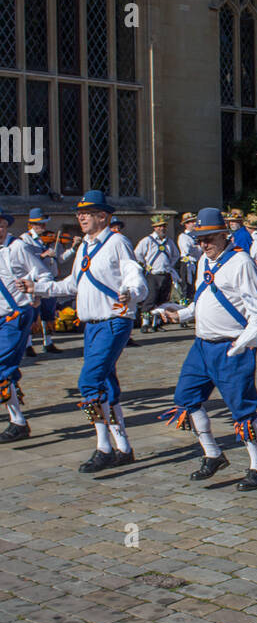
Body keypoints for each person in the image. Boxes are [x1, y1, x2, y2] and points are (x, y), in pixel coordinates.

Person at [22, 189, 147, 470]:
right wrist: (37, 288)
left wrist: (132, 291)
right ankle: (123, 448)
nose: (80, 217)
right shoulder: (85, 247)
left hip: (113, 322)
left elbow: (133, 273)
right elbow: (71, 284)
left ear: (103, 216)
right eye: (79, 213)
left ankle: (103, 447)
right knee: (106, 385)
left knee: (88, 383)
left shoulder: (118, 242)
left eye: (86, 213)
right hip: (91, 325)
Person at [157, 208, 257, 490]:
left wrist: (245, 341)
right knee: (185, 399)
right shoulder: (203, 263)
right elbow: (200, 302)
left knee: (242, 409)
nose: (204, 245)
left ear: (224, 235)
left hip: (232, 345)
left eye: (209, 238)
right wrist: (180, 314)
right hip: (202, 345)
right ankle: (212, 453)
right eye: (199, 240)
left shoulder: (241, 262)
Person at [0, 206, 52, 442]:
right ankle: (18, 421)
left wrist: (35, 293)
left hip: (16, 315)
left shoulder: (17, 247)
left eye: (1, 223)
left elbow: (43, 275)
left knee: (1, 367)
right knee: (5, 371)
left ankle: (18, 422)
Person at [21, 208, 61, 354]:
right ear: (32, 224)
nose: (44, 228)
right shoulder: (24, 240)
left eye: (44, 224)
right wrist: (43, 255)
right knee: (33, 313)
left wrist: (73, 249)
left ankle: (48, 342)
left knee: (48, 312)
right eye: (40, 225)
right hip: (34, 282)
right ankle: (28, 344)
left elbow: (61, 259)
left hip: (49, 280)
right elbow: (26, 262)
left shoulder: (47, 239)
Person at [135, 214, 180, 329]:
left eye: (164, 226)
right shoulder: (147, 241)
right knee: (150, 299)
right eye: (159, 226)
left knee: (162, 300)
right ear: (154, 228)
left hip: (165, 274)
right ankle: (145, 323)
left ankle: (157, 322)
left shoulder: (169, 241)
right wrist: (145, 266)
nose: (162, 228)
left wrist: (169, 265)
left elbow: (176, 255)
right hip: (152, 275)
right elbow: (138, 254)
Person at [176, 212, 201, 302]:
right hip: (188, 263)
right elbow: (187, 250)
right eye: (191, 222)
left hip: (197, 262)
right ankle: (185, 303)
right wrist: (196, 248)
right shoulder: (183, 237)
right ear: (186, 224)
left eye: (195, 221)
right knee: (187, 286)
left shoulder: (197, 236)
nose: (194, 223)